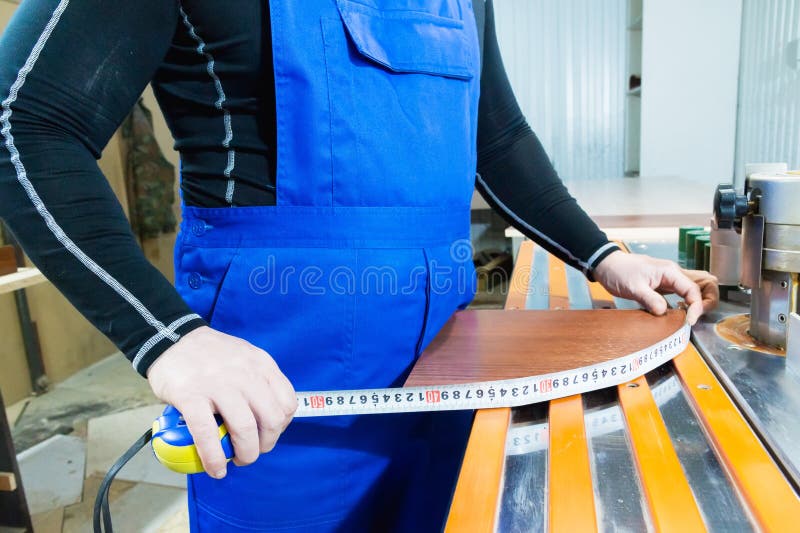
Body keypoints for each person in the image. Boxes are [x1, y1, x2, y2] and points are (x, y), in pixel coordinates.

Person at [0, 0, 717, 530]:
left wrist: (603, 255)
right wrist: (167, 338)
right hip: (278, 412)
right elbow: (23, 121)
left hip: (446, 388)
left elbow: (496, 137)